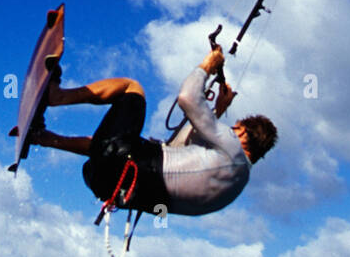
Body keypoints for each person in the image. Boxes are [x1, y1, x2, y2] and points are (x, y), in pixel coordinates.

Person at [29, 46, 277, 217]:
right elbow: (178, 150)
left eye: (235, 129)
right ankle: (42, 137)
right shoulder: (233, 188)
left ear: (243, 134)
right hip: (109, 185)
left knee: (132, 88)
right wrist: (217, 111)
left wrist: (207, 66)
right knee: (114, 146)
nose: (230, 131)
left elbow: (187, 98)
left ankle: (58, 96)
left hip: (128, 164)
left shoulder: (233, 148)